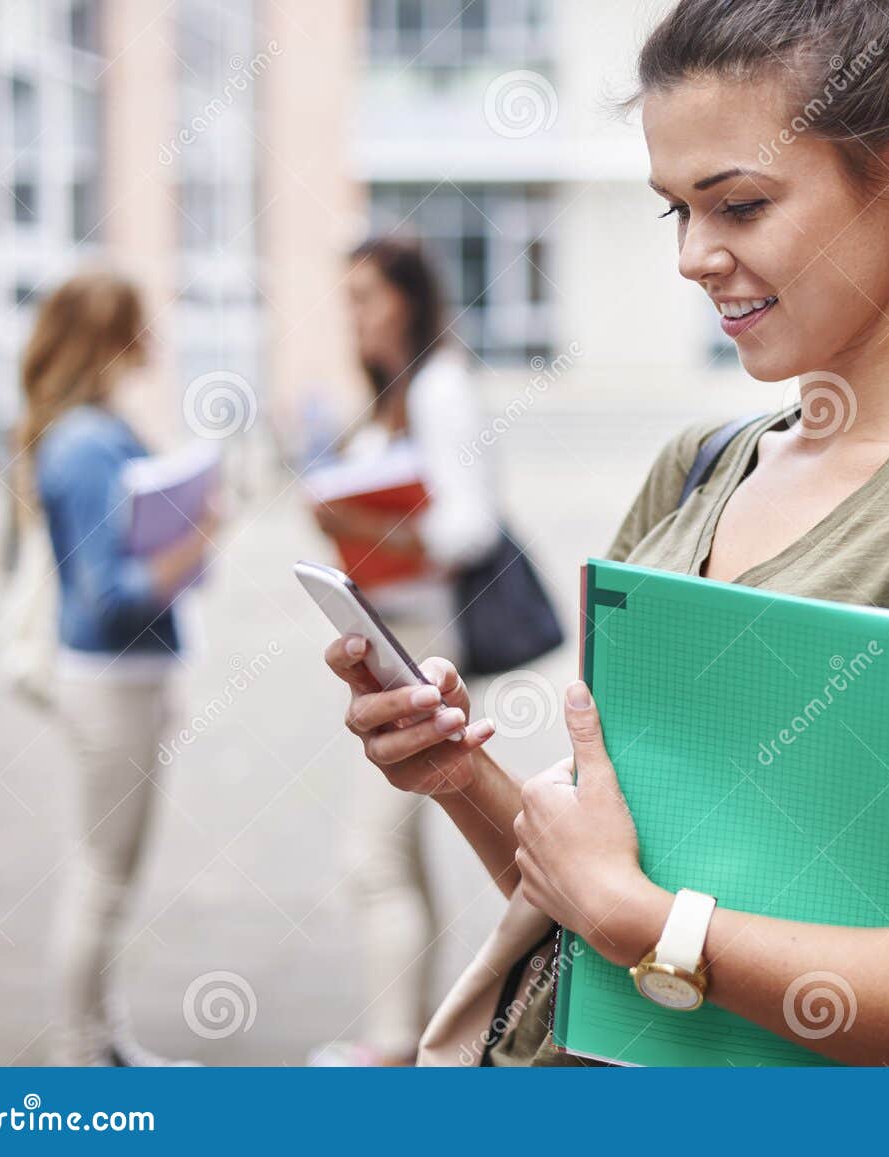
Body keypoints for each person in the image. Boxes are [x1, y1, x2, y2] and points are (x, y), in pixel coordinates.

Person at [324, 0, 889, 1066]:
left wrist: (650, 923)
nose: (696, 257)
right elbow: (588, 894)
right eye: (674, 213)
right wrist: (458, 774)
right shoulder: (697, 467)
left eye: (738, 204)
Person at [305, 237, 503, 1066]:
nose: (354, 316)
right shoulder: (387, 394)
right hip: (387, 631)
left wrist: (373, 525)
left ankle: (390, 1049)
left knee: (371, 852)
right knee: (404, 842)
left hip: (428, 642)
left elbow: (472, 524)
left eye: (368, 297)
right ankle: (421, 1039)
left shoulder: (440, 386)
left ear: (410, 300)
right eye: (346, 298)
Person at [19, 272, 215, 1066]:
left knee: (111, 868)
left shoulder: (78, 431)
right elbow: (112, 594)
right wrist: (197, 540)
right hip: (113, 680)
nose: (152, 345)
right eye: (140, 328)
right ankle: (78, 1055)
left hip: (115, 679)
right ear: (112, 338)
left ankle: (103, 1040)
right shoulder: (88, 440)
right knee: (102, 873)